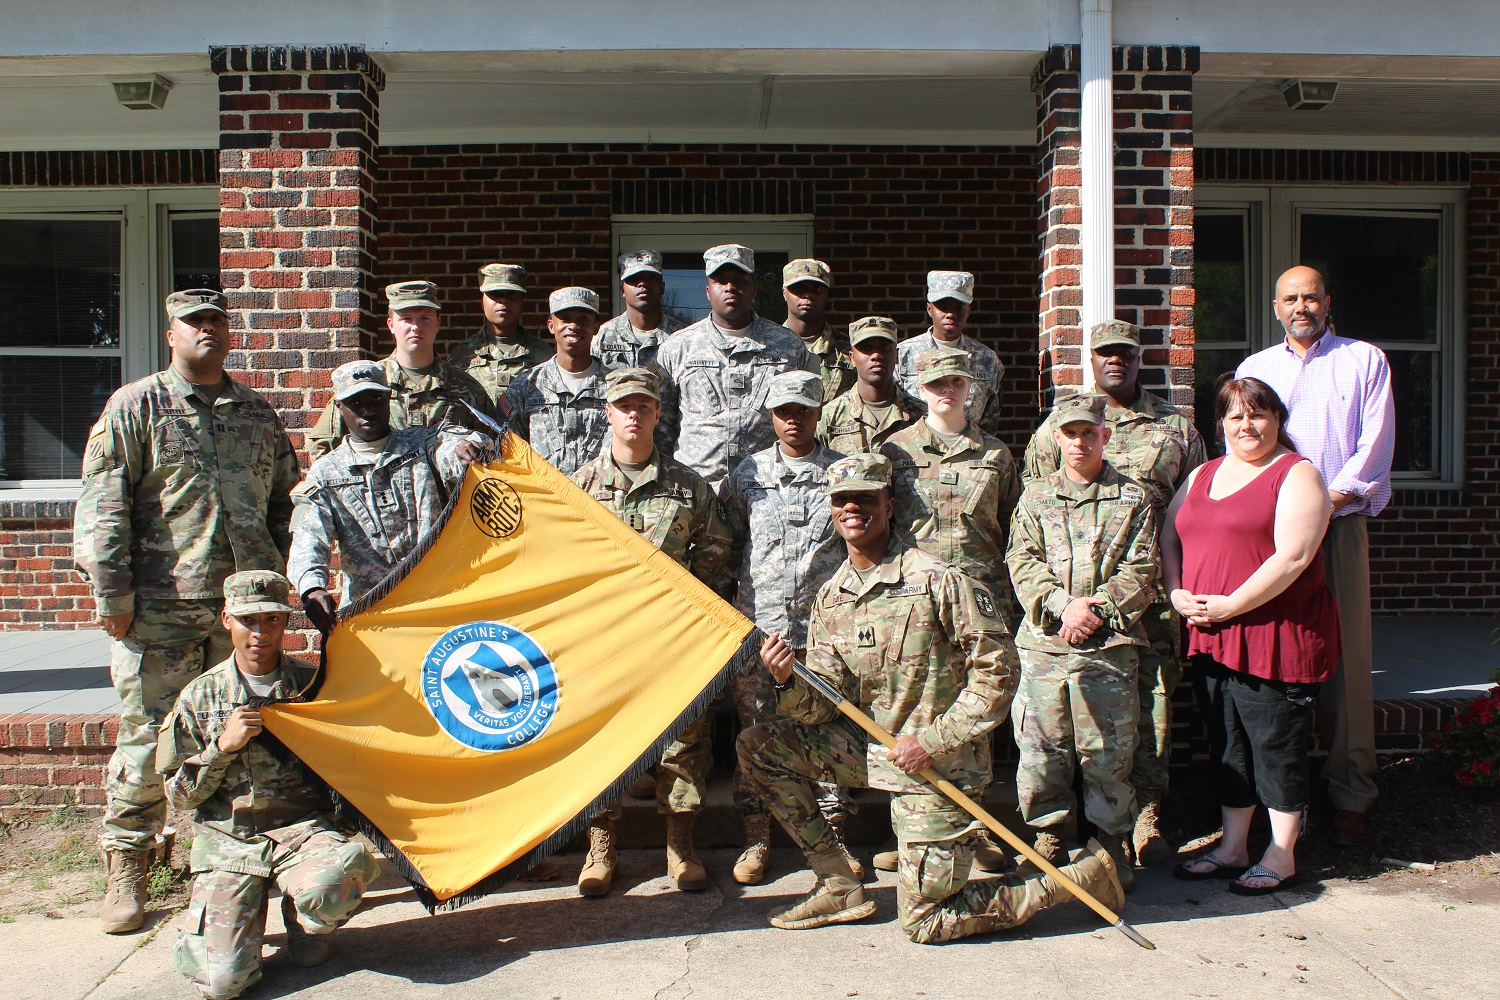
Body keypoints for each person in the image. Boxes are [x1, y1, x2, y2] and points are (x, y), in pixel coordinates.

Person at [739, 453, 1125, 942]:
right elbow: (823, 706)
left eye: (865, 498)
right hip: (875, 752)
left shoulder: (938, 579)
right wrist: (786, 682)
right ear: (832, 509)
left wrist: (933, 741)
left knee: (926, 921)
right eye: (842, 500)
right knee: (759, 744)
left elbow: (998, 670)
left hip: (941, 768)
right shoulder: (832, 597)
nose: (852, 508)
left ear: (890, 504)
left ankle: (1070, 882)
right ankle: (839, 884)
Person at [73, 288, 299, 934]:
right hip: (162, 613)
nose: (208, 330)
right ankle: (129, 862)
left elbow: (285, 500)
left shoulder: (255, 412)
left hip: (242, 620)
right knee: (148, 741)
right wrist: (113, 599)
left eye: (217, 321)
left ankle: (222, 859)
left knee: (241, 739)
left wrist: (272, 582)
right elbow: (102, 508)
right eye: (194, 321)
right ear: (169, 332)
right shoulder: (136, 407)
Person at [1022, 319, 1205, 866]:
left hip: (1144, 600)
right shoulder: (1055, 427)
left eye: (1125, 352)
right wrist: (1066, 608)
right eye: (1105, 352)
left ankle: (1144, 815)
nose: (1115, 361)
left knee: (1149, 711)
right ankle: (1061, 826)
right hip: (1064, 606)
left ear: (1138, 356)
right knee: (1056, 724)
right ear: (1091, 358)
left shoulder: (1176, 428)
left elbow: (1193, 506)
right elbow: (1032, 510)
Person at [158, 571, 380, 1000]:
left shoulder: (314, 686)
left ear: (285, 622)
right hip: (230, 842)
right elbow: (179, 796)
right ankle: (237, 924)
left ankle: (304, 919)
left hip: (303, 833)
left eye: (271, 620)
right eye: (248, 620)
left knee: (334, 884)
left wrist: (340, 829)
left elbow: (351, 764)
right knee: (224, 984)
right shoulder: (198, 697)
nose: (260, 632)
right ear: (227, 620)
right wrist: (221, 747)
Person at [1236, 265, 1394, 846]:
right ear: (1275, 307)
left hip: (1339, 525)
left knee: (1348, 660)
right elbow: (1248, 443)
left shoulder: (1364, 361)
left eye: (1311, 297)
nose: (1301, 306)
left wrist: (1319, 506)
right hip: (1269, 534)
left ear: (1328, 302)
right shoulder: (1257, 369)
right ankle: (1274, 795)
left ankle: (1351, 793)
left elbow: (1374, 448)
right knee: (1272, 652)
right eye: (1290, 298)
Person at [1164, 377, 1340, 895]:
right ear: (1220, 424)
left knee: (1275, 744)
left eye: (1258, 414)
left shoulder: (1297, 474)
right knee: (1228, 744)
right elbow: (1169, 536)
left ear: (1278, 420)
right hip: (1213, 635)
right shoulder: (1204, 473)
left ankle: (1281, 855)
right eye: (1236, 416)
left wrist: (1230, 605)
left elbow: (1294, 558)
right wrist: (1177, 594)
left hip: (1273, 635)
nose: (1247, 425)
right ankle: (1232, 847)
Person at [570, 367, 733, 895]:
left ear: (659, 414)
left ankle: (680, 847)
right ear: (608, 413)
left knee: (681, 743)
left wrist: (686, 618)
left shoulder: (688, 488)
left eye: (644, 406)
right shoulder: (577, 488)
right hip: (602, 642)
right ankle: (600, 849)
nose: (634, 415)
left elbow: (714, 557)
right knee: (602, 746)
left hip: (670, 642)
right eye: (624, 406)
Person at [1006, 393, 1159, 887]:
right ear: (1057, 439)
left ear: (1104, 436)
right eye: (1070, 433)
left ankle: (1110, 840)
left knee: (1109, 751)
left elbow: (1143, 567)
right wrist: (1062, 607)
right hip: (1046, 646)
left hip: (1109, 647)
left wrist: (1092, 613)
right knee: (1041, 749)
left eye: (1088, 432)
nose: (1079, 441)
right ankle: (1048, 835)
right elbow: (1021, 561)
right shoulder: (1035, 496)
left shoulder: (1134, 498)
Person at [719, 370, 853, 885]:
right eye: (783, 411)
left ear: (819, 412)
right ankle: (757, 836)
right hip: (760, 630)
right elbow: (731, 546)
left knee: (824, 732)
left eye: (802, 409)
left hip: (822, 633)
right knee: (755, 732)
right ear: (771, 416)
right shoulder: (746, 473)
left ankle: (834, 842)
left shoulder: (844, 474)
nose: (793, 419)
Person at [287, 359, 489, 629]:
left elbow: (456, 442)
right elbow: (308, 537)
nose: (368, 410)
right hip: (371, 615)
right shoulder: (325, 474)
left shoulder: (422, 443)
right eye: (356, 403)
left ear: (388, 398)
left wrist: (465, 448)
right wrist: (312, 588)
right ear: (338, 406)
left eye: (375, 399)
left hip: (439, 605)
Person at [655, 243, 820, 491]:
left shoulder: (788, 346)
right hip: (696, 488)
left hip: (768, 488)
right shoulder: (678, 347)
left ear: (754, 288)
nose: (731, 287)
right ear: (708, 291)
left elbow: (808, 416)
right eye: (721, 281)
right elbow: (660, 422)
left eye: (740, 280)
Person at [308, 281, 501, 459]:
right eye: (406, 319)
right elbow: (323, 449)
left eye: (424, 318)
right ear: (391, 325)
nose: (415, 327)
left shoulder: (467, 390)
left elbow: (495, 449)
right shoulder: (365, 384)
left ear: (438, 324)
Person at [504, 287, 610, 476]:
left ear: (596, 327)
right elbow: (509, 450)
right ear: (551, 325)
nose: (573, 326)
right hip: (545, 500)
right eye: (565, 318)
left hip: (599, 500)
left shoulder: (616, 386)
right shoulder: (526, 386)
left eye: (583, 319)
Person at [896, 271, 1004, 438]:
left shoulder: (987, 359)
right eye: (943, 306)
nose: (950, 314)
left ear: (969, 310)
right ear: (929, 309)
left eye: (958, 307)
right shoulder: (902, 354)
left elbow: (990, 421)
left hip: (968, 452)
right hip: (915, 454)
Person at [817, 316, 923, 455]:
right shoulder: (829, 417)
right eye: (866, 348)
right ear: (852, 358)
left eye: (884, 347)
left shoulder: (921, 416)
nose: (876, 355)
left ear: (896, 356)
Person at [449, 262, 552, 404]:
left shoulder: (545, 356)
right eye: (494, 294)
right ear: (482, 302)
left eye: (512, 294)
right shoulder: (462, 356)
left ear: (522, 302)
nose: (503, 300)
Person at [593, 250, 685, 372]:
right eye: (634, 279)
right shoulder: (602, 337)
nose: (642, 284)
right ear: (622, 290)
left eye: (651, 278)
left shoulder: (681, 337)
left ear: (662, 287)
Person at [782, 258, 854, 403]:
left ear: (826, 294)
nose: (808, 295)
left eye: (817, 289)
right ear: (784, 293)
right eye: (799, 289)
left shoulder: (849, 349)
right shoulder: (766, 347)